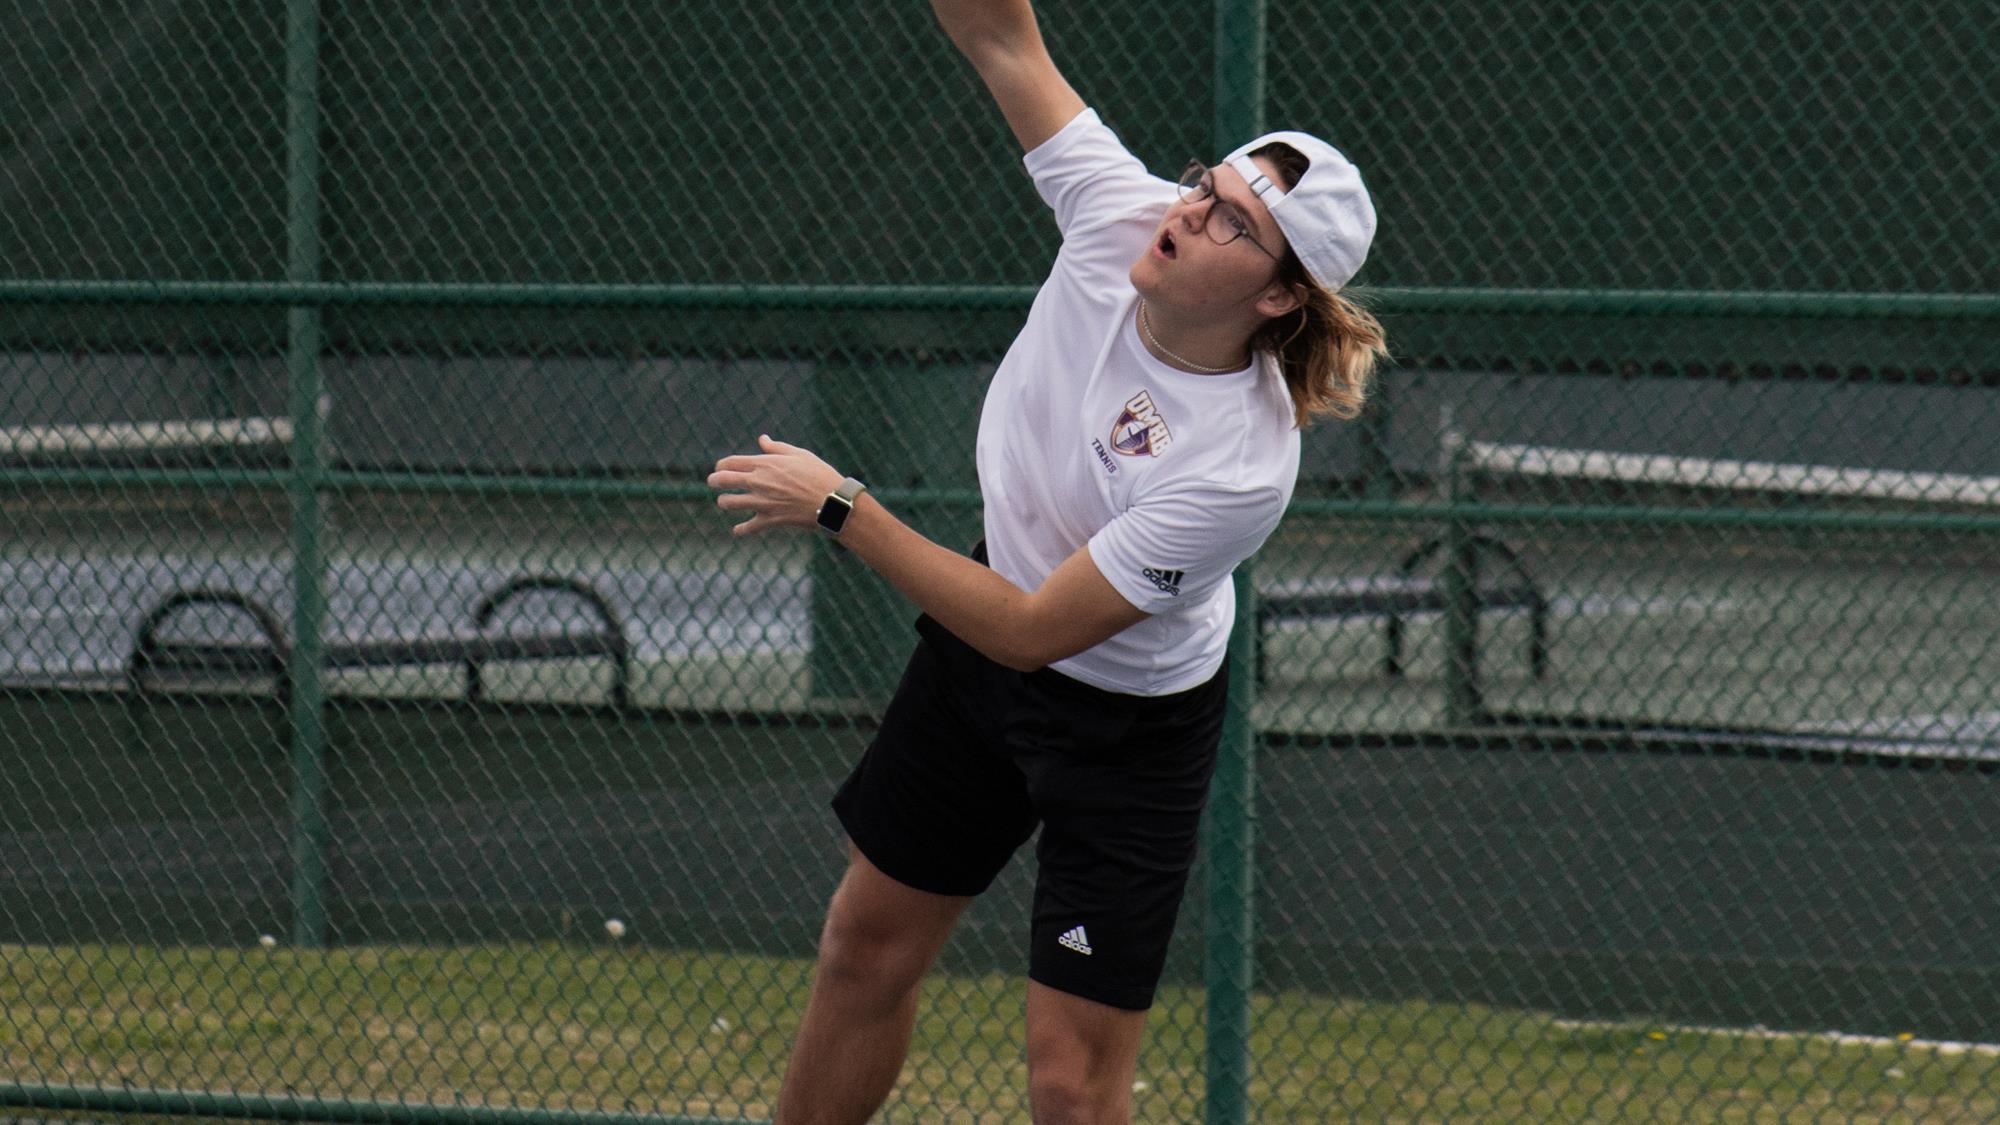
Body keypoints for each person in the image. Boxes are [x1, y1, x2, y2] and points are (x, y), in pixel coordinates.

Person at [706, 1, 1387, 1120]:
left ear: (1275, 295)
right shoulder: (1116, 214)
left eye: (1228, 221)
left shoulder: (1236, 467)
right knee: (860, 951)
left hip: (1123, 728)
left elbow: (1031, 629)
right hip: (979, 665)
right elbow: (1001, 37)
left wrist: (839, 506)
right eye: (1201, 185)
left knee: (1070, 1087)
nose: (1188, 211)